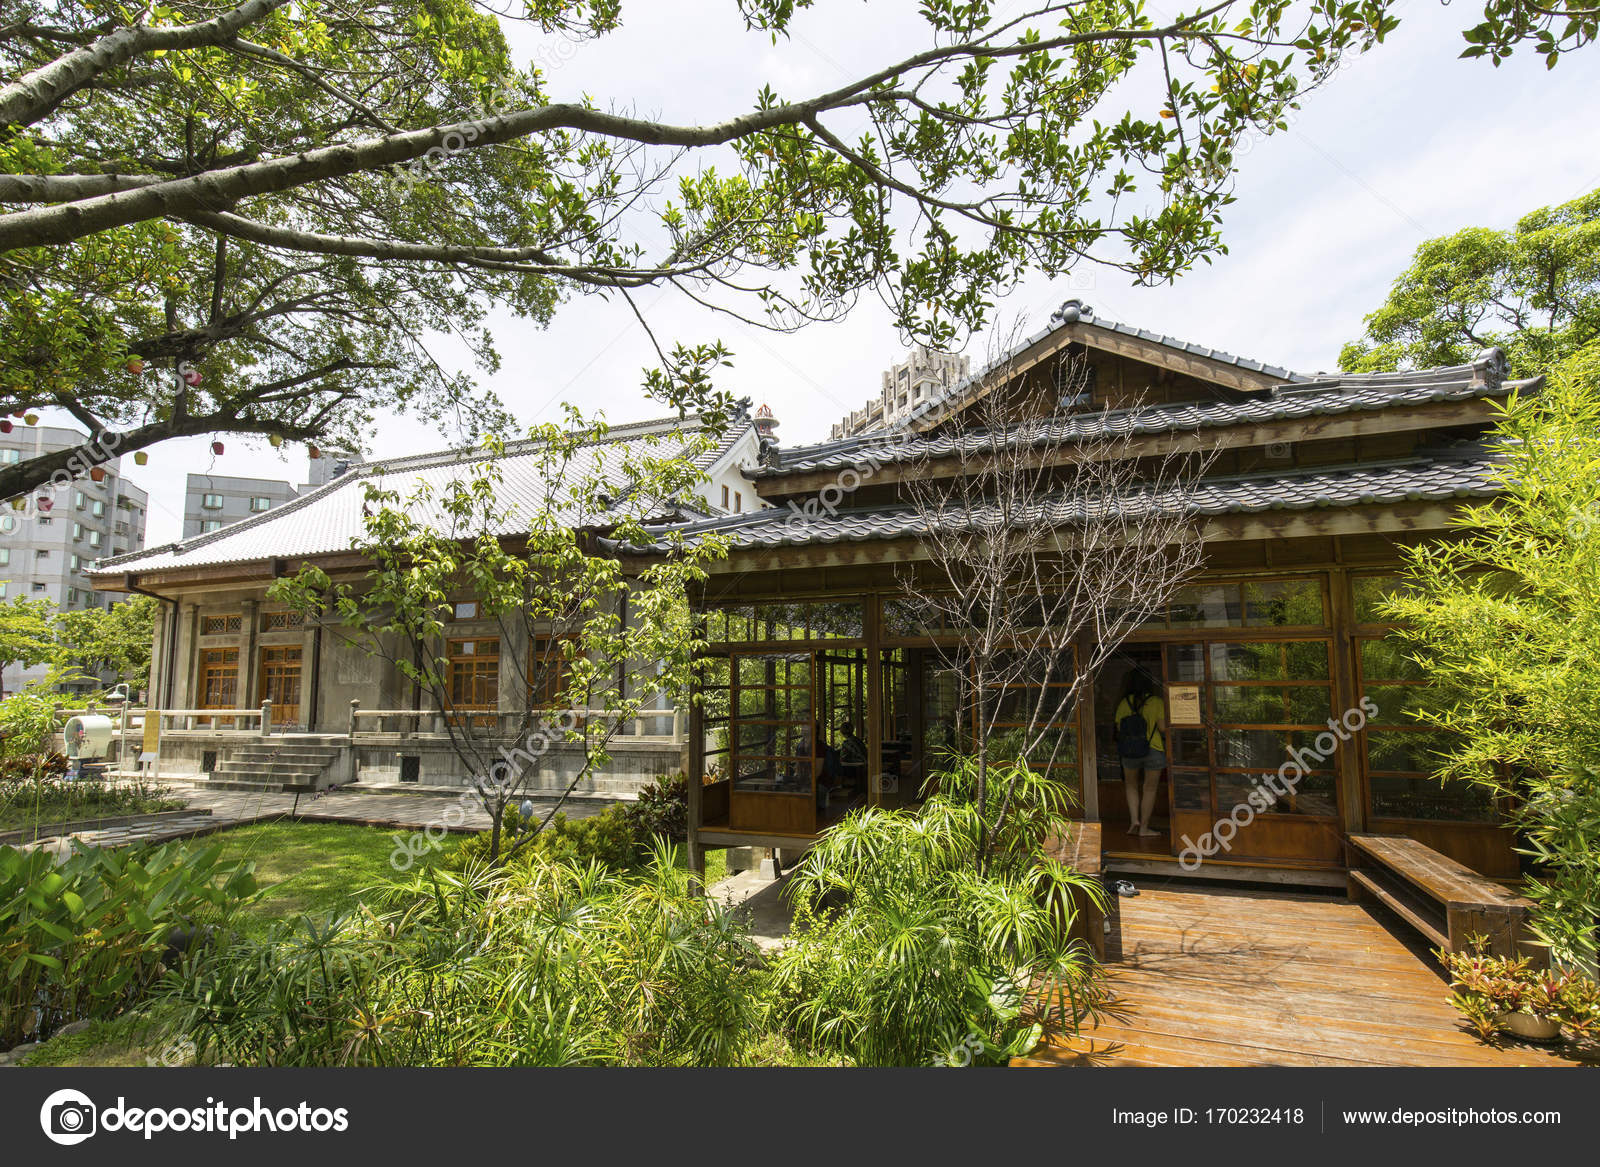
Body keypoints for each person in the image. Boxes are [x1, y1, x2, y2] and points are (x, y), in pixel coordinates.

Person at [1114, 670, 1166, 838]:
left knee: (1131, 785)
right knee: (1149, 789)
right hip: (1153, 749)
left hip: (1129, 751)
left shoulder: (1124, 703)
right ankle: (1144, 828)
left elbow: (1119, 728)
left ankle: (1134, 821)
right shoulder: (1156, 702)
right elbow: (1163, 728)